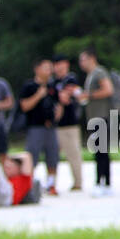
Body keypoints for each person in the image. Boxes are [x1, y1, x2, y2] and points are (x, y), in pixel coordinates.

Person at [19, 58, 62, 195]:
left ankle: (51, 184)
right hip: (35, 127)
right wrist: (38, 95)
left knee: (53, 155)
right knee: (32, 156)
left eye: (50, 68)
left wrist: (58, 113)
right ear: (37, 69)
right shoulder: (29, 86)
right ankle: (29, 186)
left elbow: (58, 104)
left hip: (51, 127)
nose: (49, 71)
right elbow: (24, 106)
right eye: (46, 68)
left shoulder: (53, 87)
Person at [79, 48, 115, 195]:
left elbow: (108, 90)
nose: (81, 63)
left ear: (91, 58)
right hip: (95, 117)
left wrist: (88, 95)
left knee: (101, 151)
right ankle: (103, 182)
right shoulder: (91, 75)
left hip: (101, 117)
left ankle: (103, 183)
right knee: (99, 151)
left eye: (83, 59)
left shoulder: (99, 72)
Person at [51, 55, 84, 191]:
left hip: (69, 123)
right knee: (52, 155)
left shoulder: (70, 79)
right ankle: (52, 183)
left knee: (73, 154)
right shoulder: (53, 82)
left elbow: (68, 97)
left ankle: (78, 182)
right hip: (55, 125)